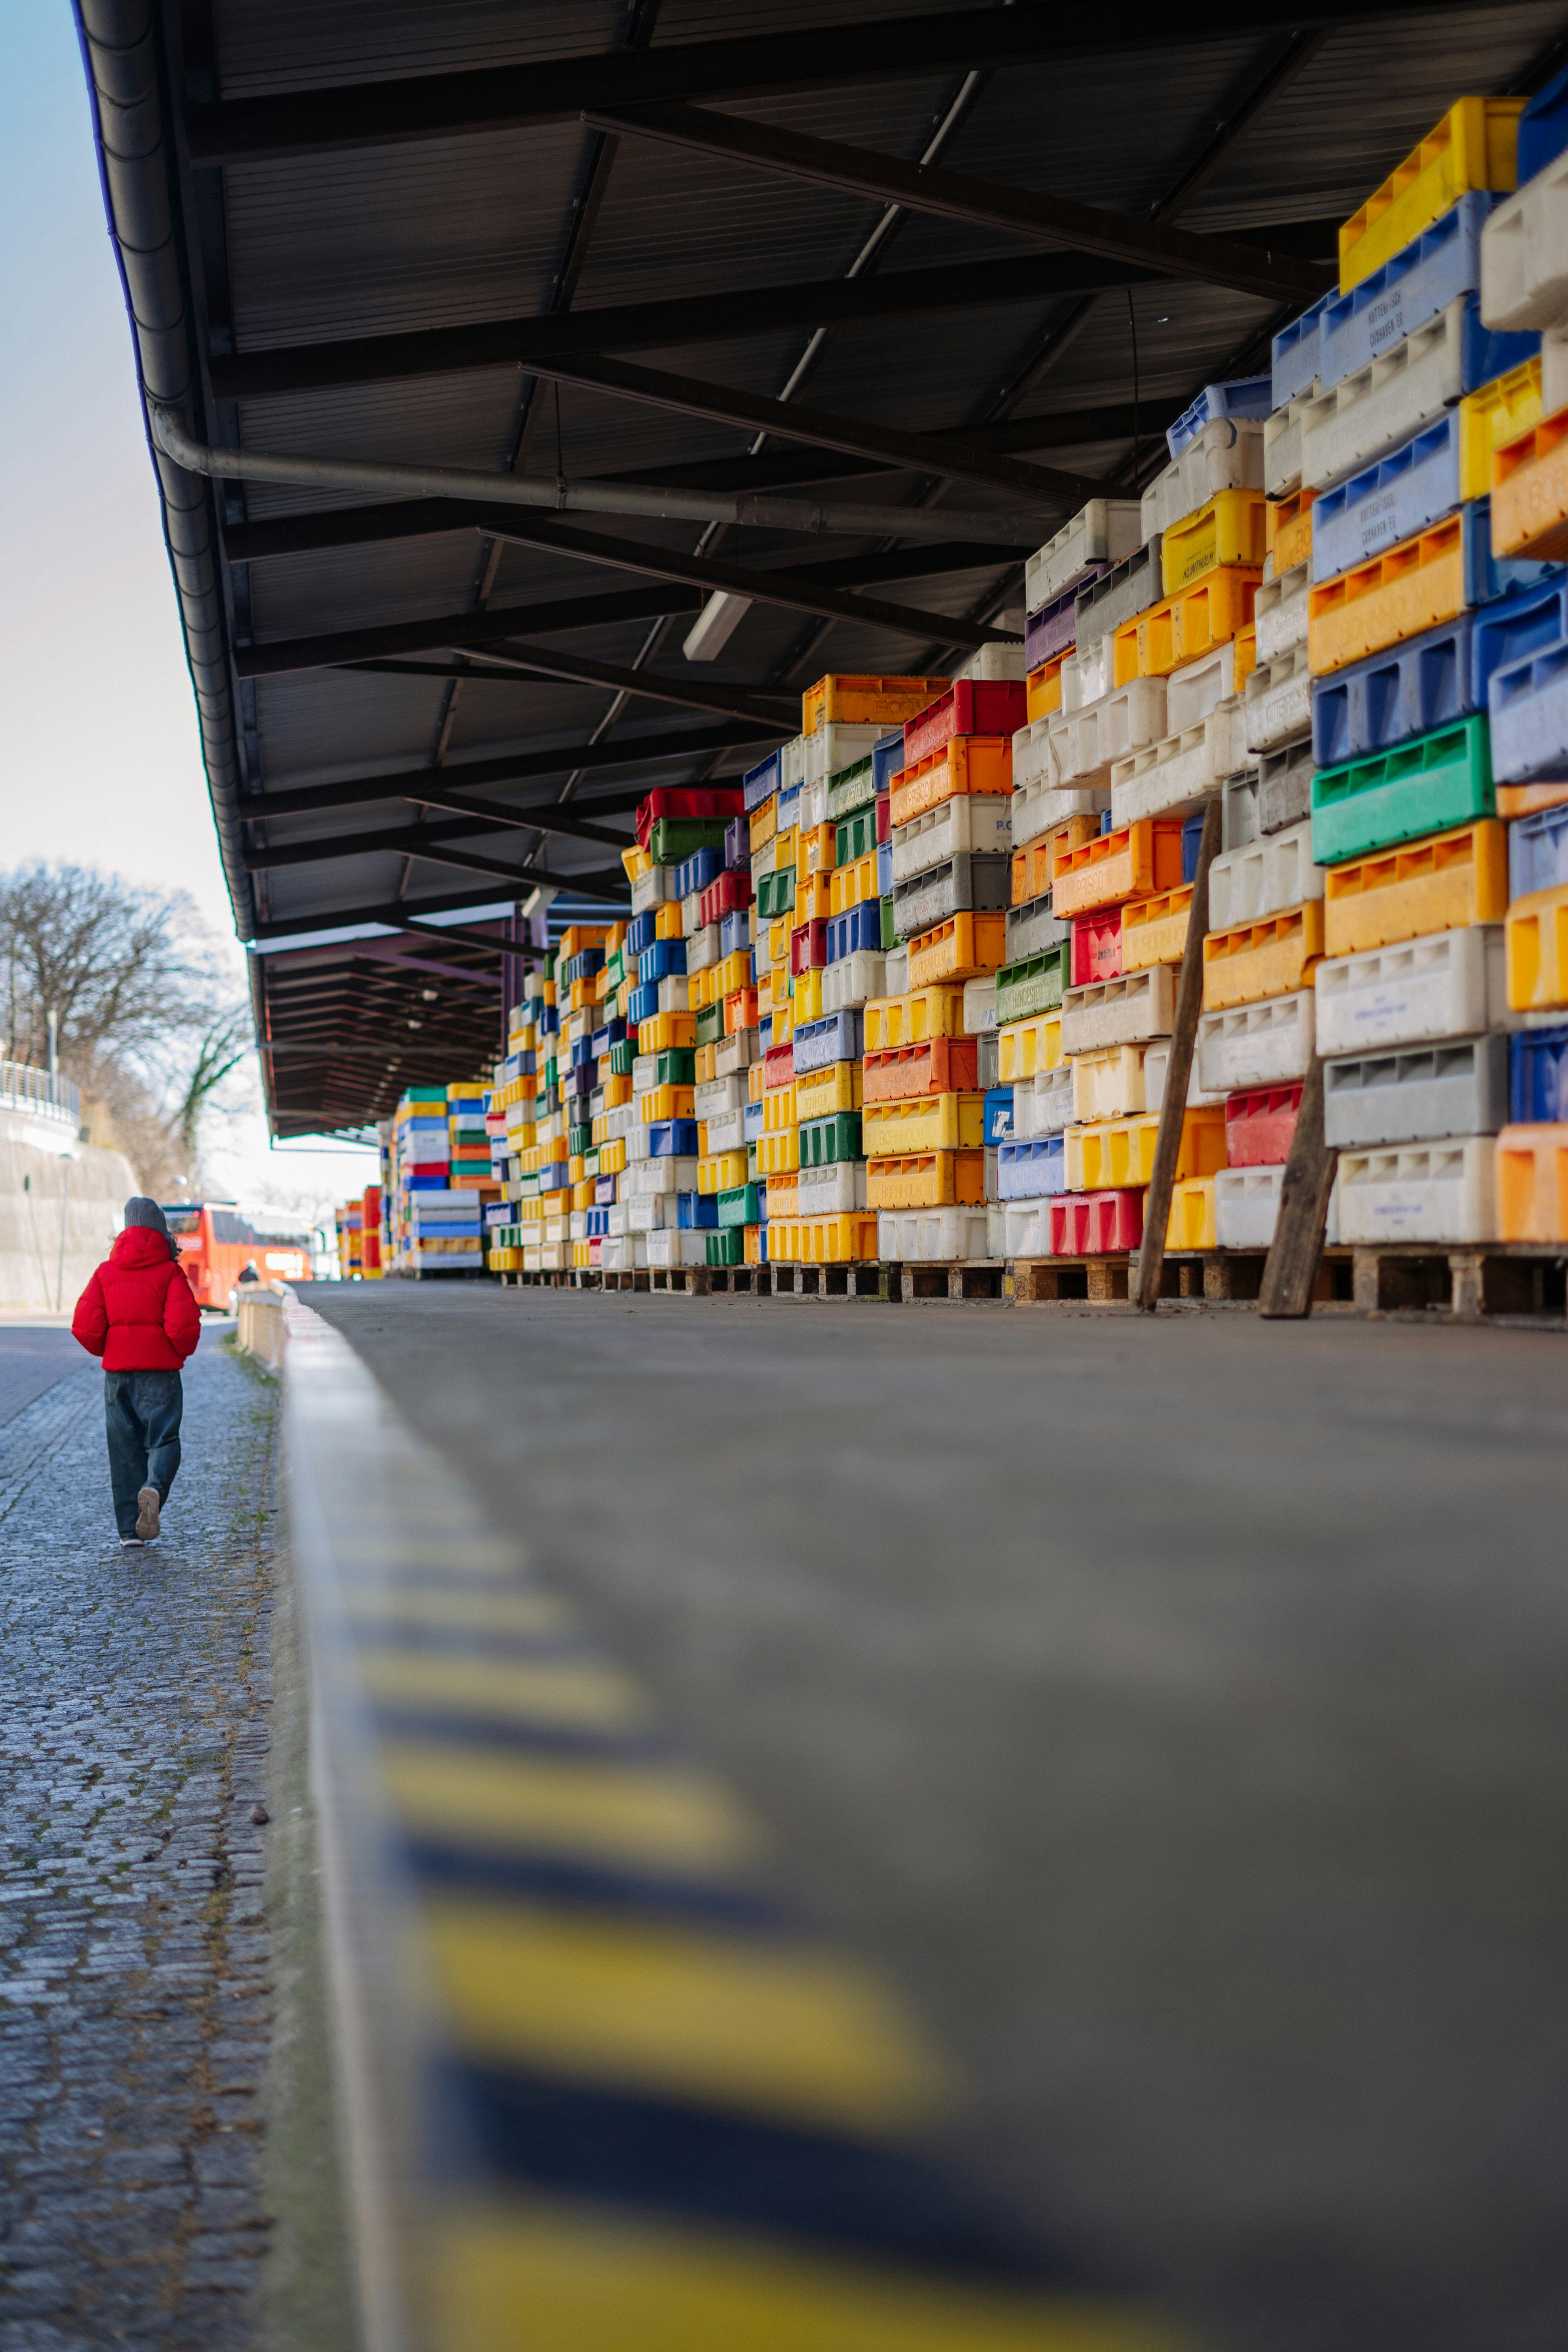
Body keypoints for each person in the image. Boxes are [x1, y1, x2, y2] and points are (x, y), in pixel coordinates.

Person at [71, 1197, 200, 1547]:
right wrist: (177, 1353)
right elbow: (184, 1327)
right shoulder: (170, 1272)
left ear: (125, 1230)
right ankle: (153, 1488)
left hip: (117, 1377)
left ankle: (131, 1532)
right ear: (161, 1230)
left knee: (123, 1449)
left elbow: (85, 1327)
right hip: (160, 1375)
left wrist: (111, 1351)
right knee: (164, 1440)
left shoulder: (104, 1272)